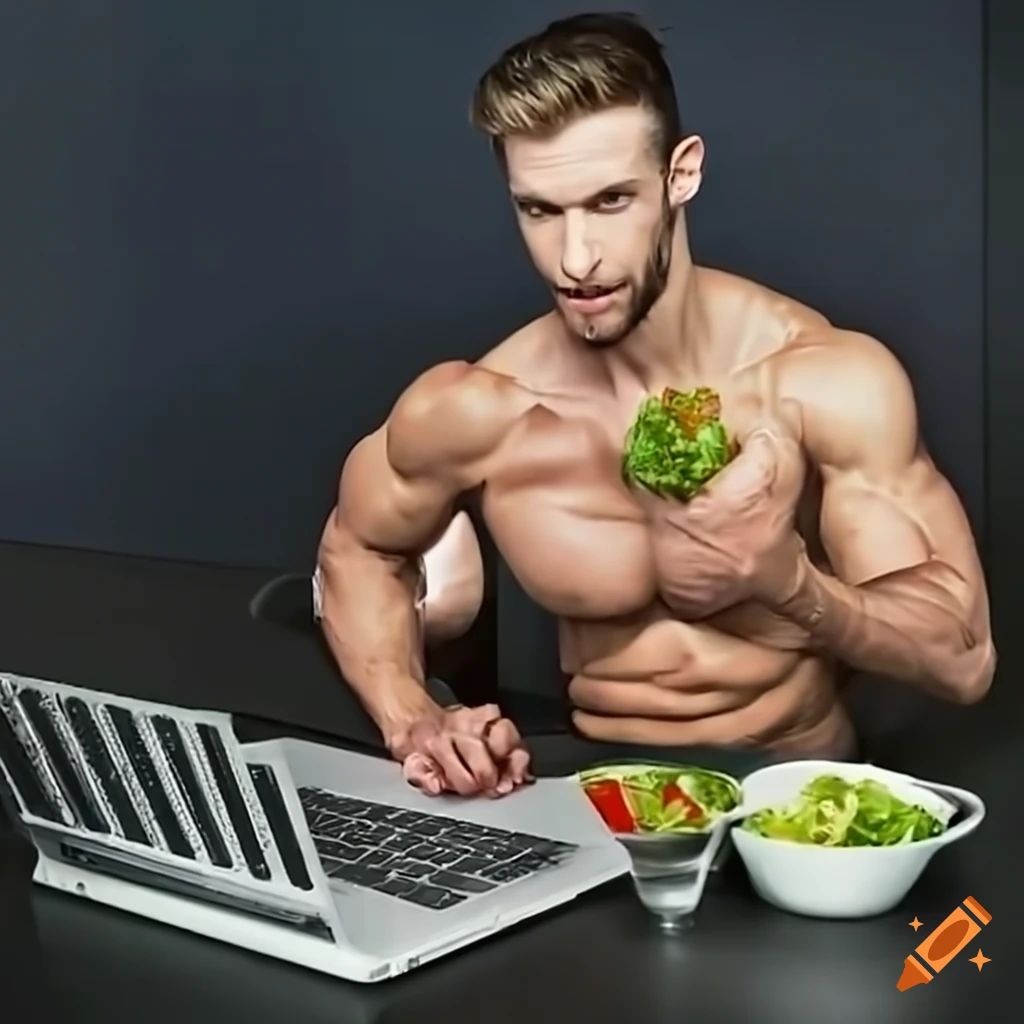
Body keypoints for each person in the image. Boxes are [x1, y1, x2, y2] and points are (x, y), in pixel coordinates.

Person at [315, 13, 995, 798]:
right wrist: (414, 718)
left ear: (682, 174)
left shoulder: (820, 381)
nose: (576, 260)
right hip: (602, 806)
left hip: (796, 805)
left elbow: (964, 656)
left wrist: (791, 586)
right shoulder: (482, 410)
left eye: (610, 201)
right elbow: (357, 552)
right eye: (540, 210)